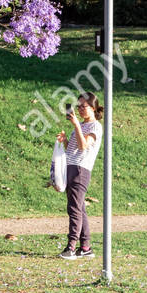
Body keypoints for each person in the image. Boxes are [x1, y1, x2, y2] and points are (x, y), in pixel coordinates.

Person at [57, 93, 103, 260]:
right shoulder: (81, 126)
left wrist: (76, 124)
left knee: (74, 209)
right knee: (79, 208)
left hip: (81, 170)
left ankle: (71, 246)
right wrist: (64, 141)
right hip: (71, 167)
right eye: (79, 107)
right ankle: (85, 247)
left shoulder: (95, 127)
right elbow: (74, 148)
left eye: (84, 106)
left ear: (93, 108)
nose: (80, 110)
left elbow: (84, 146)